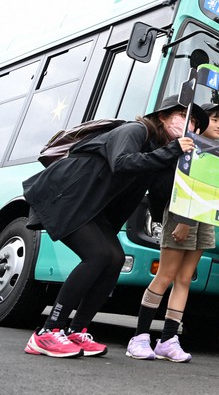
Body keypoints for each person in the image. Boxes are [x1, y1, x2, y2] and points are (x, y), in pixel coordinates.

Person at [22, 95, 203, 358]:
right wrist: (172, 152)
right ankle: (48, 332)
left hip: (93, 210)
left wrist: (168, 214)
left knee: (115, 259)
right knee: (98, 255)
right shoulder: (135, 130)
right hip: (68, 197)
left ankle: (76, 331)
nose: (190, 125)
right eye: (184, 116)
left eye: (195, 123)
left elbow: (157, 195)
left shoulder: (161, 153)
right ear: (162, 116)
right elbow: (122, 163)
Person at [126, 102, 219, 362]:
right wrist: (184, 219)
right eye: (214, 119)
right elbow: (180, 186)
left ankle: (168, 339)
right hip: (179, 212)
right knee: (166, 275)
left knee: (185, 278)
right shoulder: (187, 147)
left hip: (204, 216)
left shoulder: (215, 152)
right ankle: (140, 337)